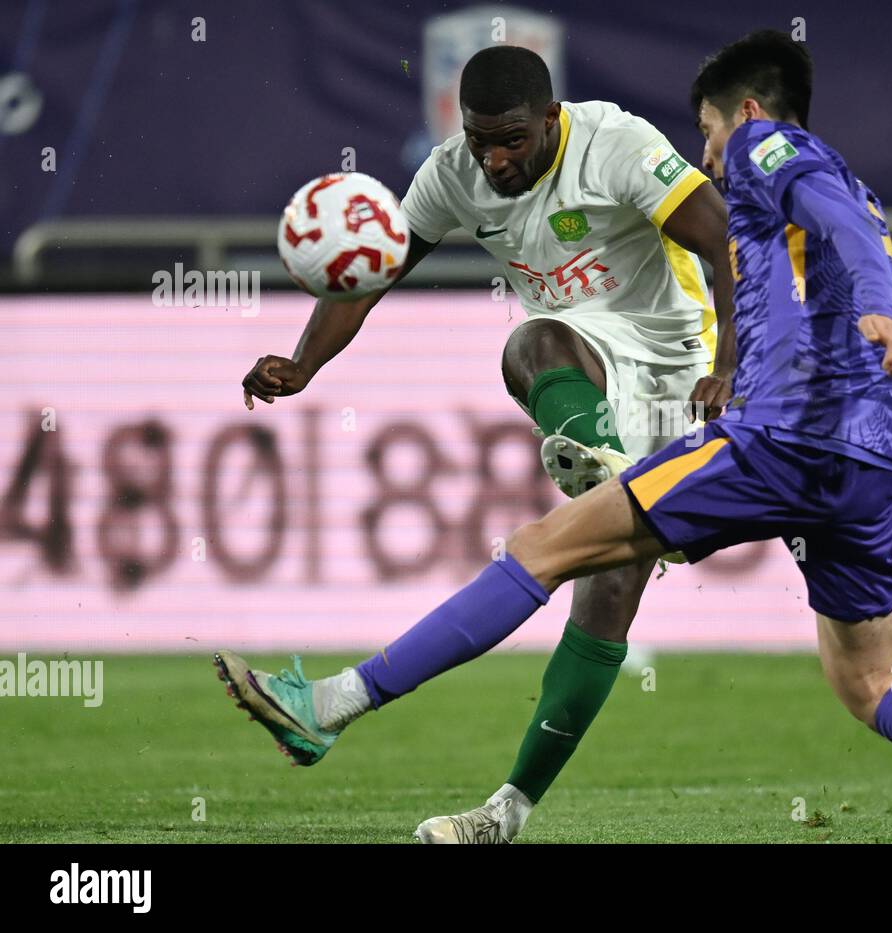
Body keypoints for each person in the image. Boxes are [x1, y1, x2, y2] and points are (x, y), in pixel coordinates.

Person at [222, 31, 892, 844]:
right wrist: (303, 363)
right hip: (861, 455)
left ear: (743, 114)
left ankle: (334, 703)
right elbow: (836, 234)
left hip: (752, 421)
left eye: (707, 129)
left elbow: (777, 240)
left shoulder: (757, 148)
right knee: (868, 682)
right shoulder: (848, 183)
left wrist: (832, 333)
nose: (704, 152)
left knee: (539, 547)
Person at [226, 44, 737, 842]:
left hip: (677, 362)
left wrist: (734, 362)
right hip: (585, 355)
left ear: (550, 119)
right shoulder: (450, 174)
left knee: (607, 594)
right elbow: (374, 274)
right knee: (528, 343)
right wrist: (303, 362)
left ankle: (484, 789)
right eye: (480, 141)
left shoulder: (617, 143)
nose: (495, 160)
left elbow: (725, 239)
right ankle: (498, 813)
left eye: (513, 140)